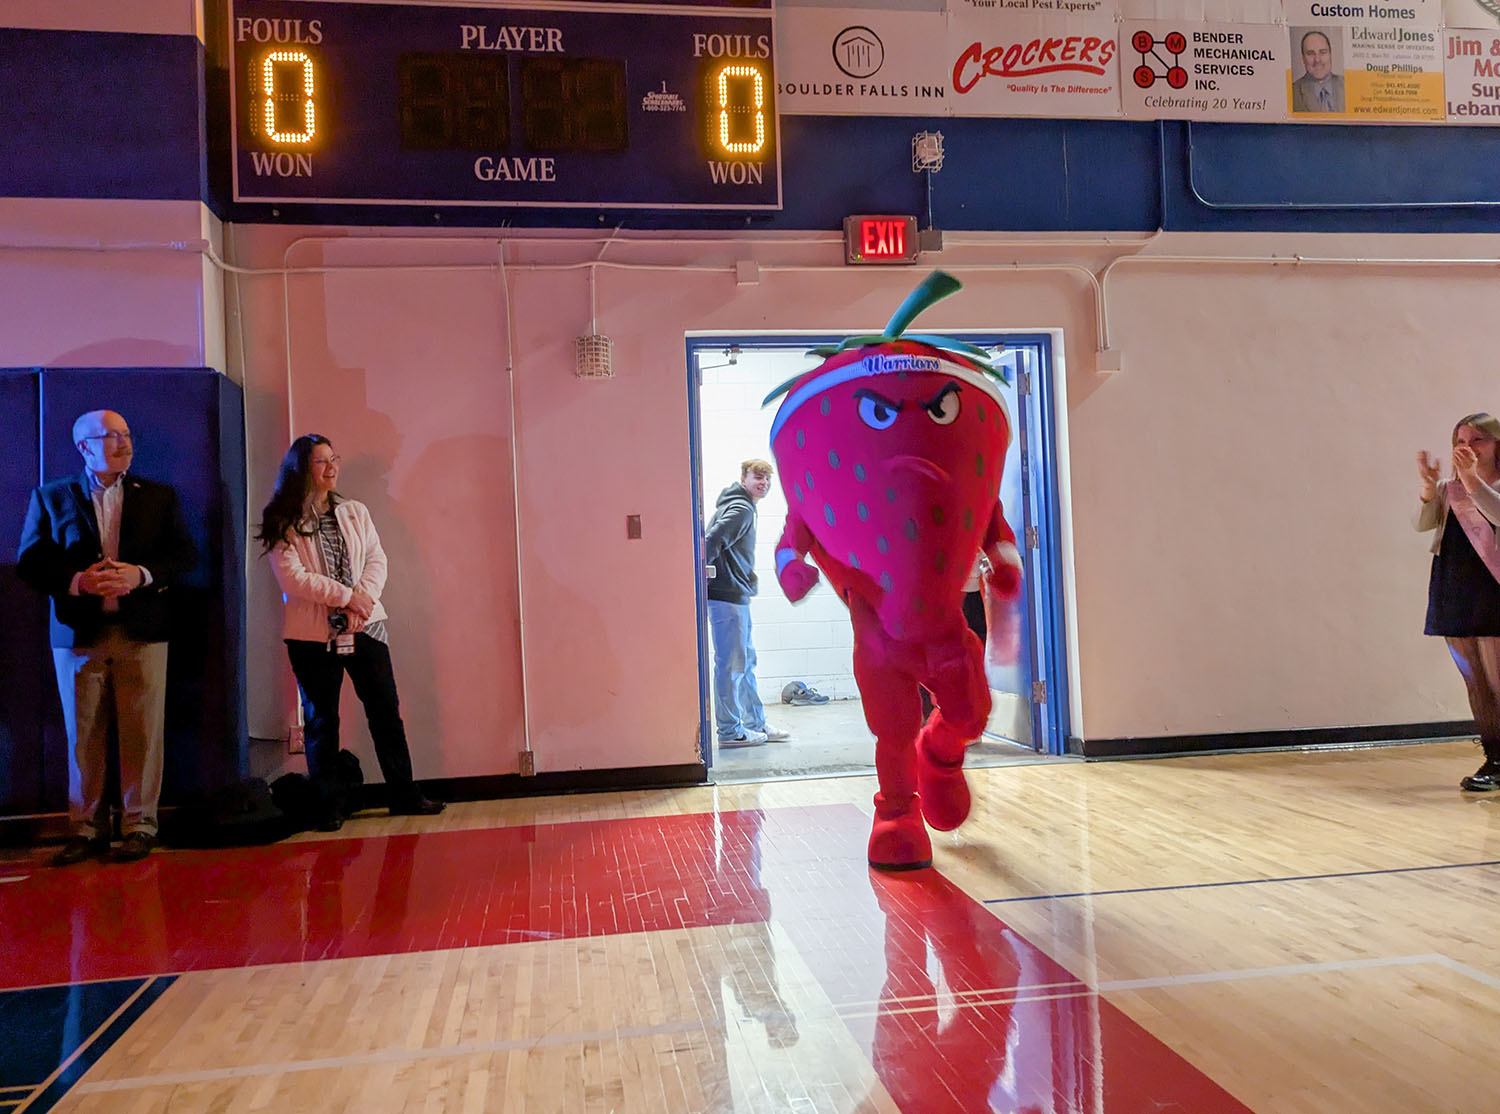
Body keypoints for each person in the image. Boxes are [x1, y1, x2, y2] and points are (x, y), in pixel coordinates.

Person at [17, 409, 196, 865]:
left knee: (143, 733)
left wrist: (141, 574)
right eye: (111, 436)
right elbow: (31, 561)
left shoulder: (158, 496)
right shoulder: (51, 496)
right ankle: (86, 829)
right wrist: (79, 580)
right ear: (84, 446)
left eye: (126, 434)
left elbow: (184, 555)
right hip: (78, 636)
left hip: (143, 633)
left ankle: (140, 826)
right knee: (83, 736)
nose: (123, 443)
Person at [257, 435, 444, 829]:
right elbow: (293, 579)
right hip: (312, 637)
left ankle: (404, 794)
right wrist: (346, 597)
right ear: (301, 469)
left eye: (334, 459)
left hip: (367, 628)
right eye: (321, 462)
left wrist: (363, 600)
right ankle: (328, 805)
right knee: (322, 720)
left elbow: (377, 558)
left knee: (385, 714)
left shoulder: (355, 511)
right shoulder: (283, 520)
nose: (331, 468)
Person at [1416, 413, 1500, 791]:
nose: (1467, 447)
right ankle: (1494, 757)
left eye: (1478, 439)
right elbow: (1425, 523)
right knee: (1475, 682)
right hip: (1456, 585)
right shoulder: (1453, 489)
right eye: (1461, 439)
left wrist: (1472, 481)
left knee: (1498, 680)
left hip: (1493, 588)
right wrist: (1430, 489)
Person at [704, 458, 790, 748]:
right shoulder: (740, 509)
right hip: (726, 597)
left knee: (745, 662)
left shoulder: (741, 506)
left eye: (767, 478)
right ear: (744, 478)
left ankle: (754, 723)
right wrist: (707, 578)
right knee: (731, 665)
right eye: (757, 477)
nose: (763, 482)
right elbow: (709, 542)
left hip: (734, 596)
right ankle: (730, 732)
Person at [1291, 30, 1344, 113]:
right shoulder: (1292, 93)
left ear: (1330, 54)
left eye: (1322, 52)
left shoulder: (1348, 84)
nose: (1317, 60)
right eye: (1310, 53)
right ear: (1303, 58)